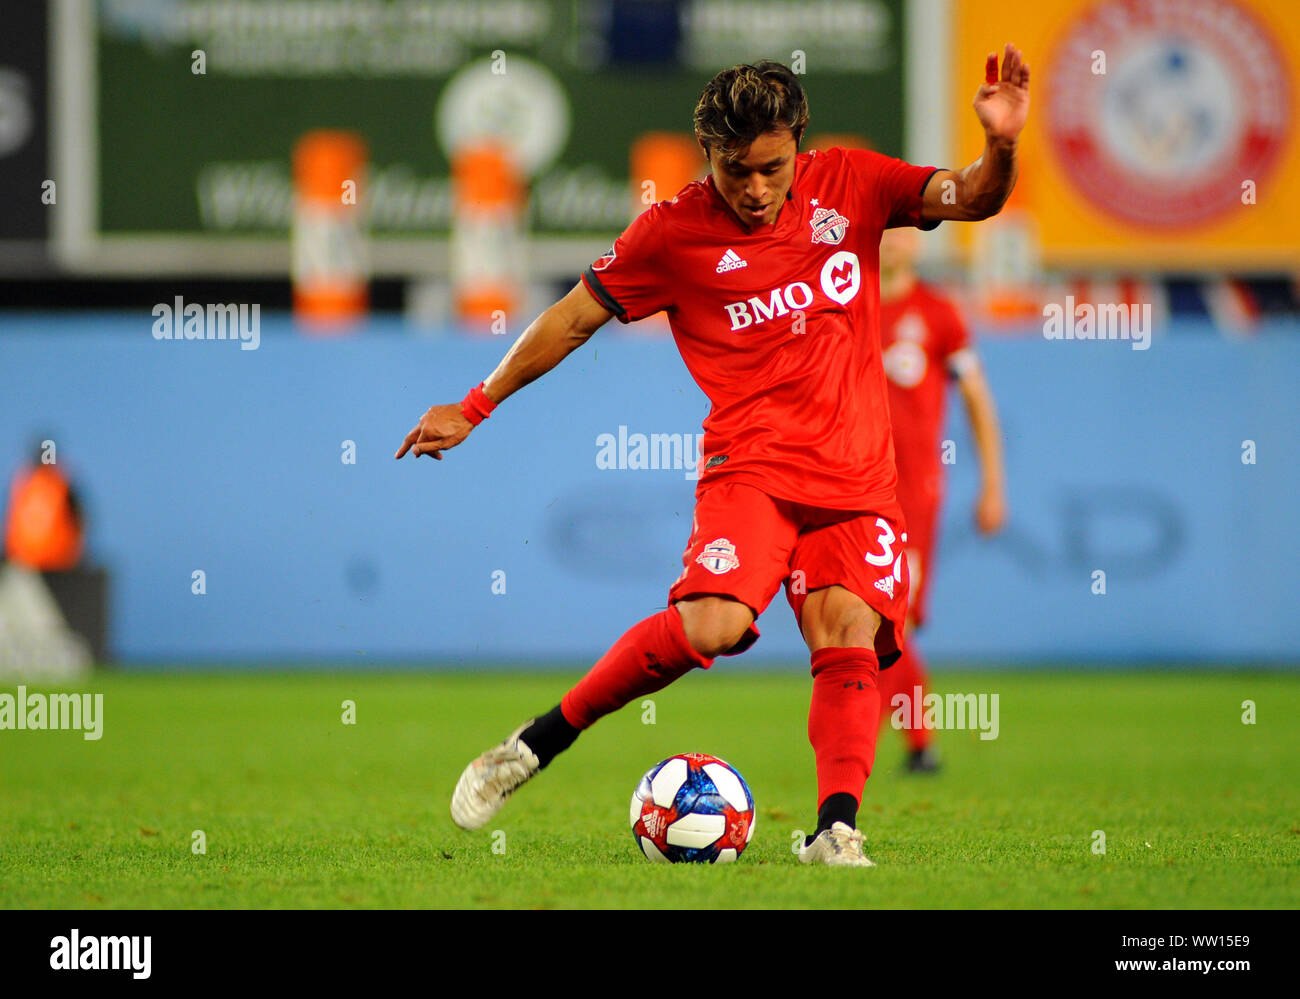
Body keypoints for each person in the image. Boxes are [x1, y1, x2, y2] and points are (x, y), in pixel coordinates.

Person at [397, 48, 1031, 866]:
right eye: (737, 171)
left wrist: (1003, 144)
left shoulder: (857, 183)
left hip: (856, 476)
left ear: (798, 144)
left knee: (848, 631)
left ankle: (834, 828)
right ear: (709, 157)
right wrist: (475, 404)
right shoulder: (670, 232)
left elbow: (973, 194)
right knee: (714, 626)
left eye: (772, 168)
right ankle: (536, 742)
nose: (757, 189)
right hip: (754, 470)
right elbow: (570, 319)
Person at [874, 227, 1007, 773]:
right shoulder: (840, 301)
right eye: (884, 229)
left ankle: (915, 741)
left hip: (912, 492)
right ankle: (903, 740)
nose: (893, 241)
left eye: (904, 230)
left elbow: (977, 399)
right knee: (858, 616)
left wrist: (993, 484)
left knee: (890, 617)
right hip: (844, 485)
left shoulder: (938, 313)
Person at [4, 440, 84, 572]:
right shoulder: (61, 482)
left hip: (27, 560)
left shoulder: (22, 481)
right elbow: (80, 520)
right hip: (53, 560)